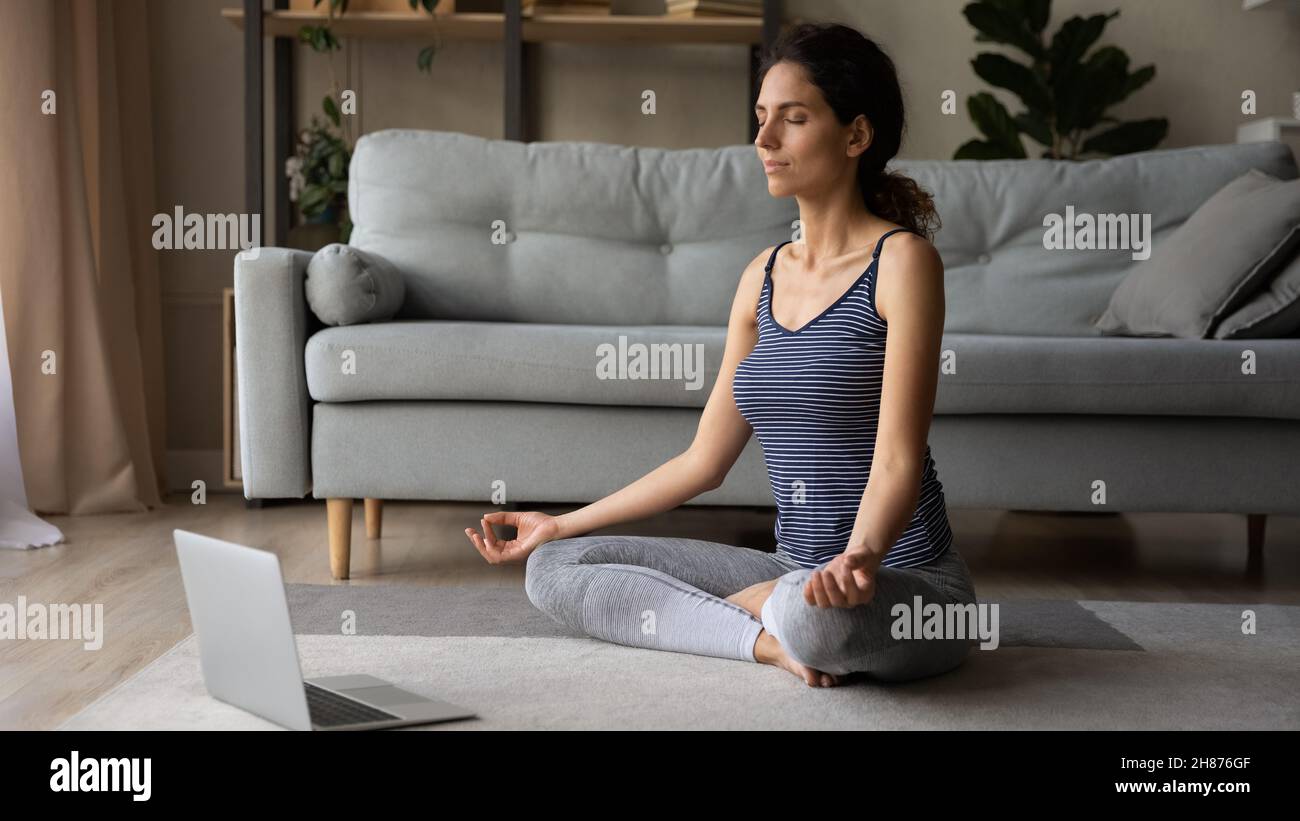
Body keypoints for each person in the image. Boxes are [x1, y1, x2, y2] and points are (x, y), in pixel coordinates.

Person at [464, 21, 977, 688]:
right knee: (555, 566)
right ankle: (762, 640)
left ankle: (755, 623)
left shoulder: (902, 264)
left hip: (904, 585)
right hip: (789, 568)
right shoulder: (759, 277)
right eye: (761, 118)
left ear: (856, 134)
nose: (763, 141)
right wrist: (557, 522)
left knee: (810, 612)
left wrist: (860, 556)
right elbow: (703, 461)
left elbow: (898, 457)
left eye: (792, 120)